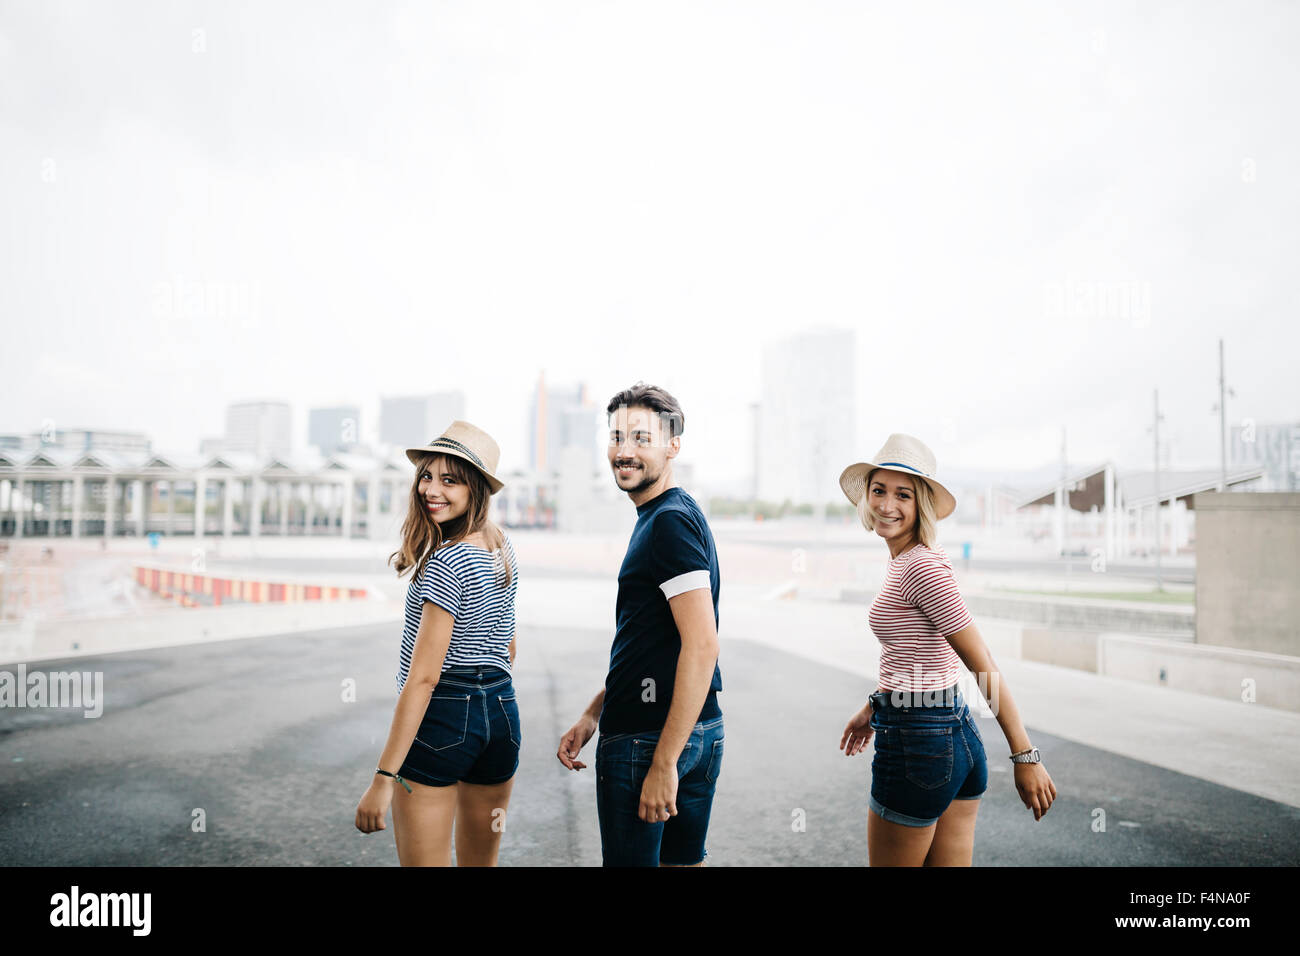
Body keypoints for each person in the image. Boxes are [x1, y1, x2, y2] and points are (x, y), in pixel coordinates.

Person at [837, 433, 1057, 866]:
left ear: (921, 504)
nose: (886, 505)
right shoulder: (908, 560)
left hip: (920, 743)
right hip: (949, 732)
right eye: (878, 490)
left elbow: (983, 665)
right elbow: (917, 655)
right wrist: (875, 704)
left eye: (903, 495)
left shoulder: (919, 566)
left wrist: (1025, 755)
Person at [556, 382, 724, 867]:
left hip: (652, 740)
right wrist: (595, 712)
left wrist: (665, 762)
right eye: (616, 436)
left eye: (641, 439)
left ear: (673, 445)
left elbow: (701, 646)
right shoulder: (672, 513)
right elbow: (651, 641)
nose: (624, 451)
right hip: (688, 727)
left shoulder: (668, 523)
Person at [354, 421, 520, 866]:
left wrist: (384, 778)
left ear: (476, 490)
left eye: (450, 480)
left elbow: (424, 677)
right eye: (427, 475)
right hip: (502, 715)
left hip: (444, 716)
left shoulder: (447, 562)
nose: (431, 489)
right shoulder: (501, 547)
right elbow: (508, 647)